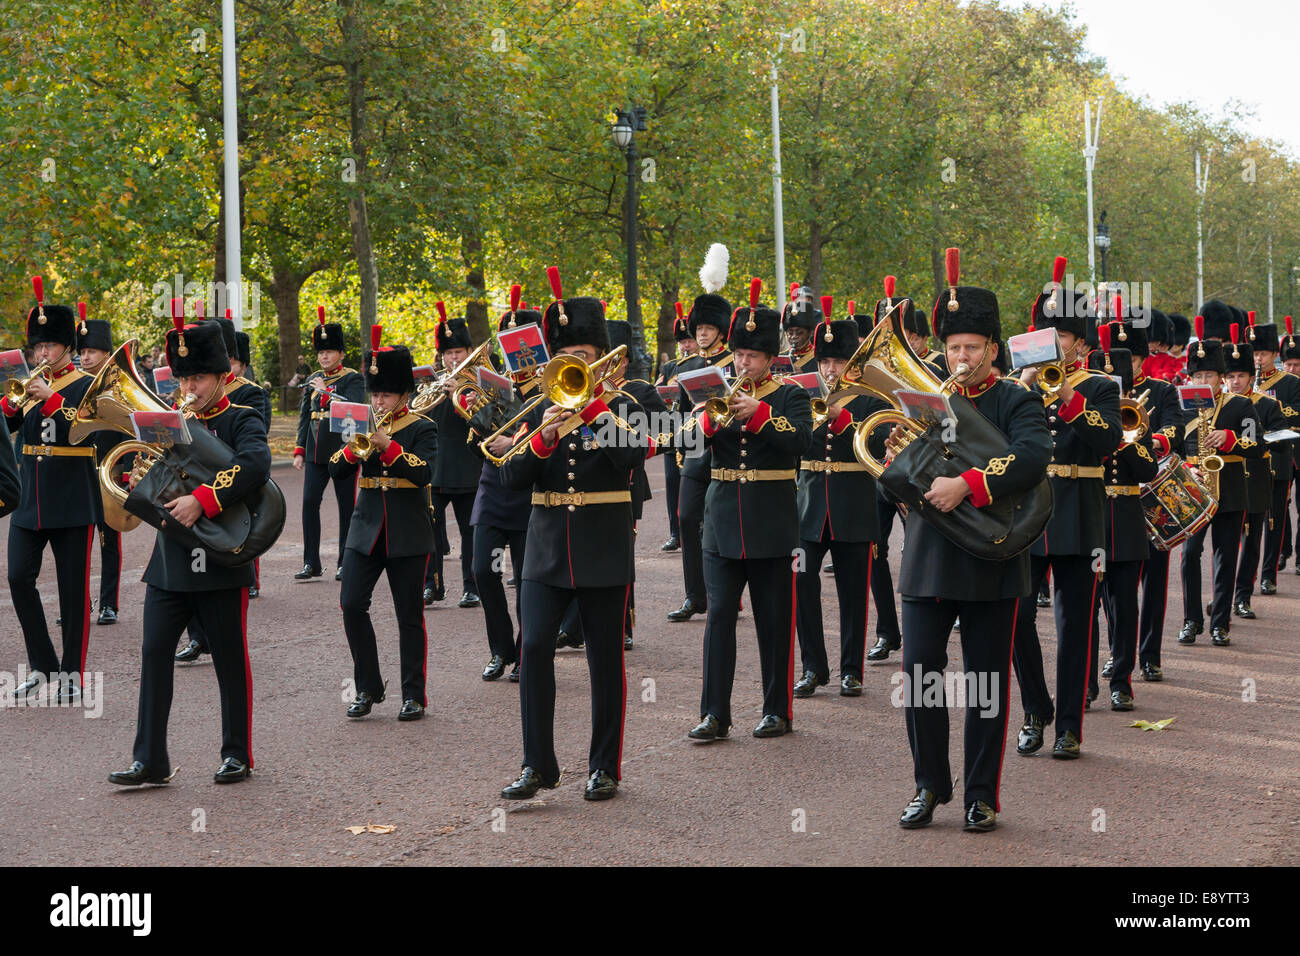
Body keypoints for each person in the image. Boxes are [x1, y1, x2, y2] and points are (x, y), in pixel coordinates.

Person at [895, 250, 1052, 832]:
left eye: (973, 348)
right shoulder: (924, 398)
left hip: (993, 554)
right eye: (954, 347)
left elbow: (1034, 458)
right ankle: (929, 784)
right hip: (929, 558)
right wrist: (897, 467)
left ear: (992, 349)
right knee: (921, 680)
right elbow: (901, 486)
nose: (961, 357)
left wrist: (967, 483)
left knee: (986, 684)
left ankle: (981, 795)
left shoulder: (1016, 399)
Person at [498, 282, 646, 802]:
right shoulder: (538, 407)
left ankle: (604, 766)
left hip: (603, 547)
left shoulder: (629, 401)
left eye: (580, 357)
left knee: (604, 658)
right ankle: (537, 764)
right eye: (562, 358)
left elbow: (634, 457)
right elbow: (512, 478)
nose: (570, 368)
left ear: (602, 357)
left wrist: (596, 411)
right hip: (545, 547)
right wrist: (543, 434)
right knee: (533, 647)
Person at [108, 314, 269, 786]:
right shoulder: (168, 422)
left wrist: (204, 499)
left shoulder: (243, 417)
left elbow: (256, 464)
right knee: (155, 652)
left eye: (197, 377)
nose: (189, 386)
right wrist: (140, 482)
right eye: (182, 378)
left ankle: (237, 753)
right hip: (171, 561)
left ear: (224, 376)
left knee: (228, 658)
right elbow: (158, 483)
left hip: (220, 559)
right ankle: (150, 759)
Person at [686, 277, 814, 742]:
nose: (743, 362)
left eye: (752, 356)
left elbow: (802, 441)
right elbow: (690, 442)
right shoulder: (715, 391)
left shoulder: (790, 394)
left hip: (771, 522)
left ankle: (776, 709)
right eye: (739, 354)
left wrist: (757, 414)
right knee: (718, 617)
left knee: (774, 620)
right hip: (721, 522)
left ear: (769, 358)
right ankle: (715, 713)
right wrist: (706, 417)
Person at [1012, 259, 1121, 761]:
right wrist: (1025, 386)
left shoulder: (1100, 385)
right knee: (1013, 617)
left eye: (1064, 333)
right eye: (1047, 331)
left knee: (1076, 622)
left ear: (1080, 341)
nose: (1055, 340)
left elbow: (1109, 439)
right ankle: (1036, 707)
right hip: (1027, 513)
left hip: (1079, 512)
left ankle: (1070, 725)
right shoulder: (1017, 386)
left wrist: (1068, 397)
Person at [329, 328, 437, 721]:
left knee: (409, 615)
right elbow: (336, 470)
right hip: (365, 528)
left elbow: (424, 474)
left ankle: (414, 695)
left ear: (404, 394)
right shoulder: (362, 423)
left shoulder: (422, 426)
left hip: (407, 529)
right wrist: (353, 449)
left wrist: (387, 446)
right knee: (351, 604)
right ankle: (368, 686)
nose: (378, 400)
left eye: (386, 394)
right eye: (375, 394)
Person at [4, 287, 101, 700]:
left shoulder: (87, 385)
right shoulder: (28, 384)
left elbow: (90, 431)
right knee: (17, 577)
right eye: (38, 346)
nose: (42, 353)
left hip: (72, 496)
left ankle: (73, 676)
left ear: (67, 347)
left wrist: (53, 401)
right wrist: (9, 411)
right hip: (30, 496)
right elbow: (12, 434)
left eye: (50, 345)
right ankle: (42, 666)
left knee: (72, 591)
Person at [793, 304, 886, 697]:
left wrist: (843, 420)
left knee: (853, 593)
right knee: (801, 587)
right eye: (825, 360)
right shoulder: (799, 395)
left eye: (839, 360)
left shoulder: (870, 399)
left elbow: (881, 445)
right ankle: (813, 667)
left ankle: (852, 670)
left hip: (854, 506)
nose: (831, 368)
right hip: (809, 507)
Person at [465, 288, 539, 682]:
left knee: (529, 579)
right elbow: (476, 447)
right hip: (494, 492)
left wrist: (516, 442)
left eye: (522, 345)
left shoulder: (554, 386)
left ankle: (528, 651)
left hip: (530, 497)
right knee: (484, 570)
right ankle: (500, 648)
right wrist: (474, 416)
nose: (516, 354)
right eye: (510, 346)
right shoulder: (496, 385)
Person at [1178, 310, 1263, 647]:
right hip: (1194, 490)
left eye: (1210, 375)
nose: (1203, 382)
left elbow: (1256, 446)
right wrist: (1187, 467)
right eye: (1197, 375)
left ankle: (1220, 622)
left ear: (1221, 376)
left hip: (1229, 486)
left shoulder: (1240, 406)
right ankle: (1191, 619)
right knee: (1188, 556)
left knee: (1225, 556)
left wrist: (1230, 439)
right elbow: (1170, 444)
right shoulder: (1184, 405)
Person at [1088, 329, 1159, 711]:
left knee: (1124, 604)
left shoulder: (1136, 423)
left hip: (1127, 525)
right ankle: (1084, 681)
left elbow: (1148, 471)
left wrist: (1128, 440)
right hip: (1093, 522)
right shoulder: (1085, 423)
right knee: (1089, 606)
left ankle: (1122, 680)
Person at [866, 279, 934, 663]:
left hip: (917, 474)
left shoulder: (936, 367)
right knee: (874, 550)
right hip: (881, 473)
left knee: (918, 548)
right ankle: (886, 632)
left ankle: (920, 625)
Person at [666, 244, 733, 624]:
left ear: (720, 331)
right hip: (694, 454)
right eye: (699, 328)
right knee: (688, 518)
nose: (702, 334)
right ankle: (695, 595)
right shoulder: (687, 365)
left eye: (708, 328)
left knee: (719, 522)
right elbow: (677, 411)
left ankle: (724, 590)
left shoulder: (732, 361)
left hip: (722, 451)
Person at [1120, 310, 1185, 683]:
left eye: (1130, 358)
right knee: (1116, 589)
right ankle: (1120, 654)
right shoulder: (1102, 389)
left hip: (1154, 491)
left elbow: (1175, 426)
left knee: (1155, 582)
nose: (1124, 365)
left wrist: (1158, 440)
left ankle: (1150, 655)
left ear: (1142, 359)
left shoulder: (1161, 390)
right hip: (1117, 496)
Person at [292, 307, 365, 582]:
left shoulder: (352, 378)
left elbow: (355, 407)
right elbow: (304, 416)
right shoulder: (312, 379)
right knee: (310, 502)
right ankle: (311, 561)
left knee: (346, 506)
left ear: (341, 354)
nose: (324, 356)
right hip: (315, 451)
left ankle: (345, 561)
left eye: (330, 351)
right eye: (321, 352)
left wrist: (326, 392)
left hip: (343, 450)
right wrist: (300, 449)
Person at [1224, 324, 1286, 619]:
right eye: (1231, 376)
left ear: (1251, 376)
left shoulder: (1266, 404)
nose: (1236, 382)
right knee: (1224, 547)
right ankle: (1223, 595)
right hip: (1224, 482)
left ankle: (1242, 596)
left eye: (1241, 376)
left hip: (1257, 480)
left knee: (1251, 542)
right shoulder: (1215, 404)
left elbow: (1280, 438)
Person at [423, 303, 481, 609]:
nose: (453, 358)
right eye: (448, 353)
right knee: (430, 529)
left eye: (458, 351)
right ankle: (433, 584)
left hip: (468, 467)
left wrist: (459, 394)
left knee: (469, 533)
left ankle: (471, 586)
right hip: (436, 467)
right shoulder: (431, 382)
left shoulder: (478, 384)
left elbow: (484, 422)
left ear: (469, 351)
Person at [76, 312, 126, 626]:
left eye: (90, 351)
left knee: (109, 543)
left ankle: (109, 604)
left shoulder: (118, 386)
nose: (84, 357)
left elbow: (128, 431)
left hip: (109, 473)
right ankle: (76, 602)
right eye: (81, 352)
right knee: (75, 547)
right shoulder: (73, 386)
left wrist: (126, 472)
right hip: (79, 476)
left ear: (106, 354)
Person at [1244, 319, 1300, 594]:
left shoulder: (1290, 382)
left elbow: (1297, 414)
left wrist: (1269, 407)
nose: (1258, 359)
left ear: (1275, 355)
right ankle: (1247, 577)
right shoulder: (1242, 385)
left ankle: (1269, 574)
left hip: (1277, 459)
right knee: (1249, 525)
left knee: (1275, 519)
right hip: (1249, 461)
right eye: (1254, 354)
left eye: (1263, 354)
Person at [654, 304, 696, 553]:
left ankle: (697, 528)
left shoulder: (700, 364)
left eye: (689, 340)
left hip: (695, 430)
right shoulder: (669, 368)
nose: (685, 346)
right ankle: (675, 532)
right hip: (673, 430)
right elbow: (657, 394)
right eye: (681, 341)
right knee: (672, 482)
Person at [782, 283, 822, 374]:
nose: (794, 337)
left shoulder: (820, 359)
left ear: (809, 333)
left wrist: (803, 375)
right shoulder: (779, 358)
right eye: (790, 333)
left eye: (799, 333)